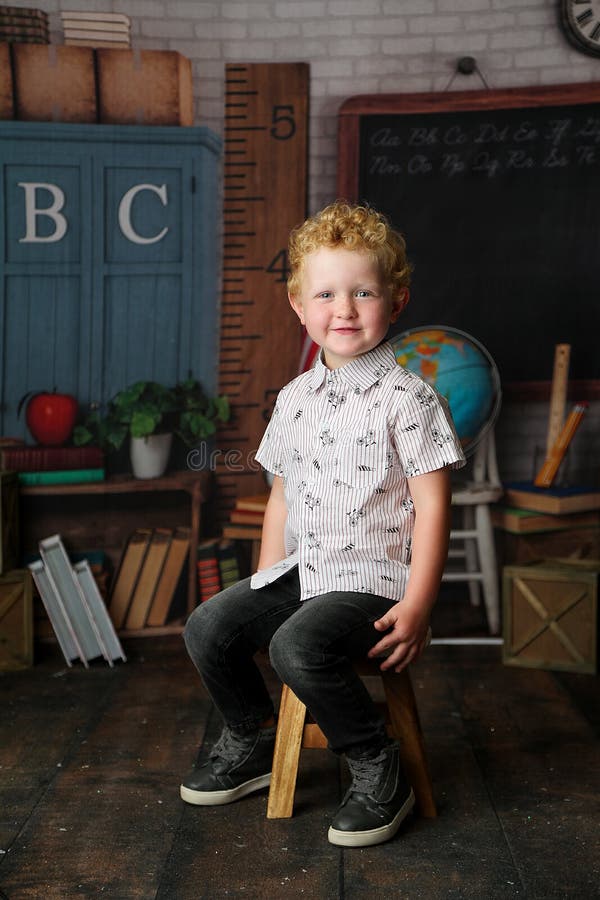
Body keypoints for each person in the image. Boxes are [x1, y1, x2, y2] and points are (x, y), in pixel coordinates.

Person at [181, 200, 466, 848]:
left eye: (363, 291)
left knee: (296, 647)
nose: (344, 308)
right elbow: (282, 497)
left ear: (395, 302)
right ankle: (250, 738)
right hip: (303, 570)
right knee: (207, 626)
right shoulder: (295, 399)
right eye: (327, 294)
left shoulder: (408, 398)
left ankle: (375, 763)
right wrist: (260, 584)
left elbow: (433, 505)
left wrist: (420, 602)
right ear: (299, 306)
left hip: (374, 579)